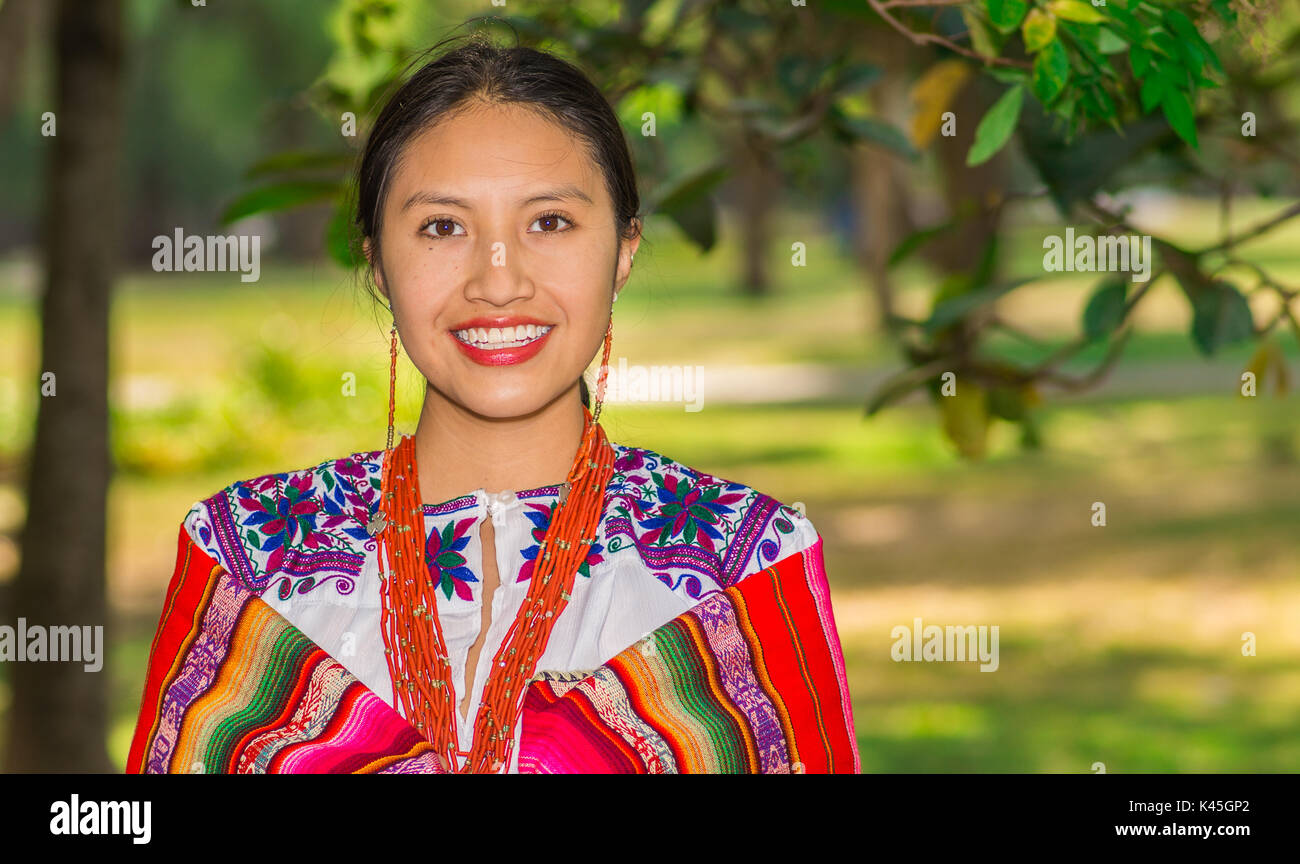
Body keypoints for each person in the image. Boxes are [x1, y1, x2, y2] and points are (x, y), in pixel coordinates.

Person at [126, 36, 858, 775]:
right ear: (377, 261)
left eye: (549, 223)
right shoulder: (247, 558)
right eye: (443, 226)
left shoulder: (748, 562)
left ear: (625, 250)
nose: (498, 281)